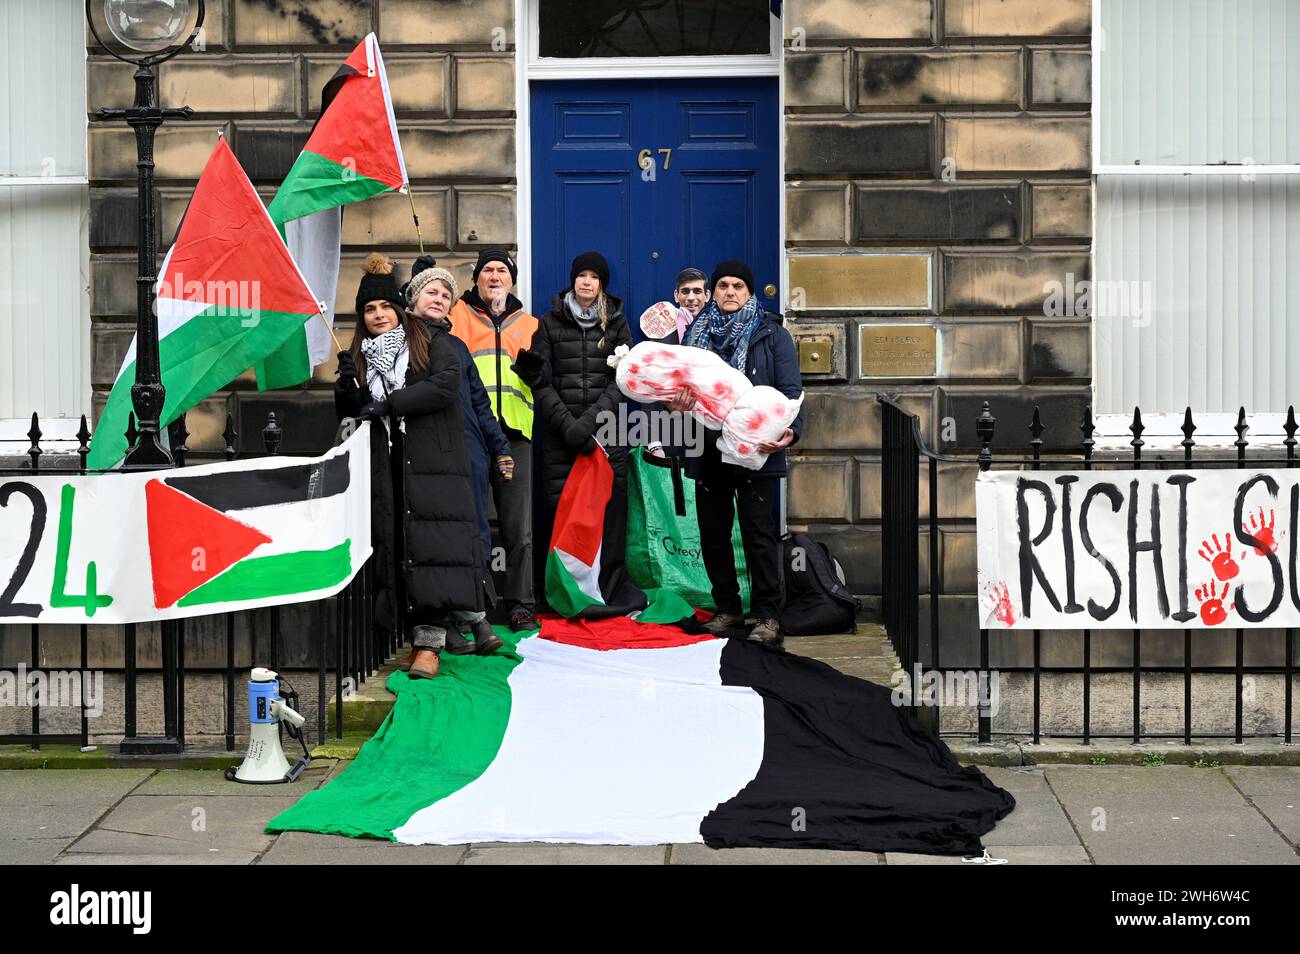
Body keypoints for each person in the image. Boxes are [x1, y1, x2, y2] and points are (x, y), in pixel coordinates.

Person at [333, 253, 497, 679]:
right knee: (401, 553)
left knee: (433, 552)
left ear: (400, 309)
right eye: (370, 309)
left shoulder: (432, 342)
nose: (378, 315)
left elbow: (443, 388)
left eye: (386, 306)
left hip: (432, 464)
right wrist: (347, 387)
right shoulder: (363, 355)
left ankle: (431, 647)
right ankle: (415, 640)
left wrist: (386, 403)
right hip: (389, 465)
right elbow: (355, 413)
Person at [667, 259, 804, 645]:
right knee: (713, 535)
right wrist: (674, 405)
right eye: (723, 285)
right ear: (714, 292)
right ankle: (727, 610)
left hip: (757, 450)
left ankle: (766, 616)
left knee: (759, 535)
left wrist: (791, 432)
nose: (730, 292)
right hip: (709, 450)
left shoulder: (771, 334)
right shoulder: (696, 334)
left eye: (738, 286)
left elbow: (791, 391)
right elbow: (680, 389)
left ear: (749, 292)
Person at [446, 250, 540, 631]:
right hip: (470, 433)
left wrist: (538, 371)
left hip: (515, 435)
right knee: (469, 524)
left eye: (502, 270)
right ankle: (473, 608)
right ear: (476, 279)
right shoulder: (456, 314)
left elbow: (540, 379)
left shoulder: (530, 323)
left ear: (512, 280)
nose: (495, 275)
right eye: (488, 270)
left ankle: (521, 604)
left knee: (519, 528)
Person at [514, 250, 633, 536]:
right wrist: (570, 426)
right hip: (560, 435)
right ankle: (566, 583)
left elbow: (623, 381)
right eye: (582, 275)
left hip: (605, 433)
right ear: (573, 280)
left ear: (602, 284)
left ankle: (609, 581)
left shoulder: (617, 323)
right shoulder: (549, 323)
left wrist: (589, 423)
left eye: (594, 277)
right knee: (564, 515)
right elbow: (541, 383)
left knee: (609, 512)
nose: (587, 282)